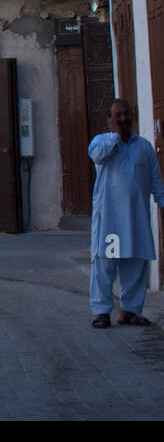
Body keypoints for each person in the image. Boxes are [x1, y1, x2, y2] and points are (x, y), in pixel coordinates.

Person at [88, 99, 164, 329]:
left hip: (136, 220)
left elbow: (155, 178)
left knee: (136, 266)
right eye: (117, 115)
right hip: (110, 222)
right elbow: (98, 157)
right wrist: (114, 136)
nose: (123, 119)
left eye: (127, 114)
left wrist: (161, 202)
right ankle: (102, 311)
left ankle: (130, 311)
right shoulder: (102, 142)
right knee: (105, 266)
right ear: (109, 119)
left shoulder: (144, 146)